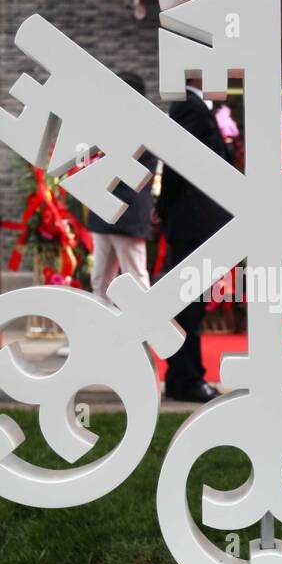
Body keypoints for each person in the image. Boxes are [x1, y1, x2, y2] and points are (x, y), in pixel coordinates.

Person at [156, 85, 233, 403]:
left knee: (191, 307)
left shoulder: (196, 106)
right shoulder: (188, 105)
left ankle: (181, 378)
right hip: (192, 224)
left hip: (197, 223)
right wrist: (164, 209)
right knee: (188, 307)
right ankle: (186, 379)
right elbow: (179, 164)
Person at [86, 73, 156, 300]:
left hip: (128, 211)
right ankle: (100, 330)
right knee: (100, 280)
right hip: (106, 209)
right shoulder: (110, 122)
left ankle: (147, 332)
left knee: (135, 277)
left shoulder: (147, 126)